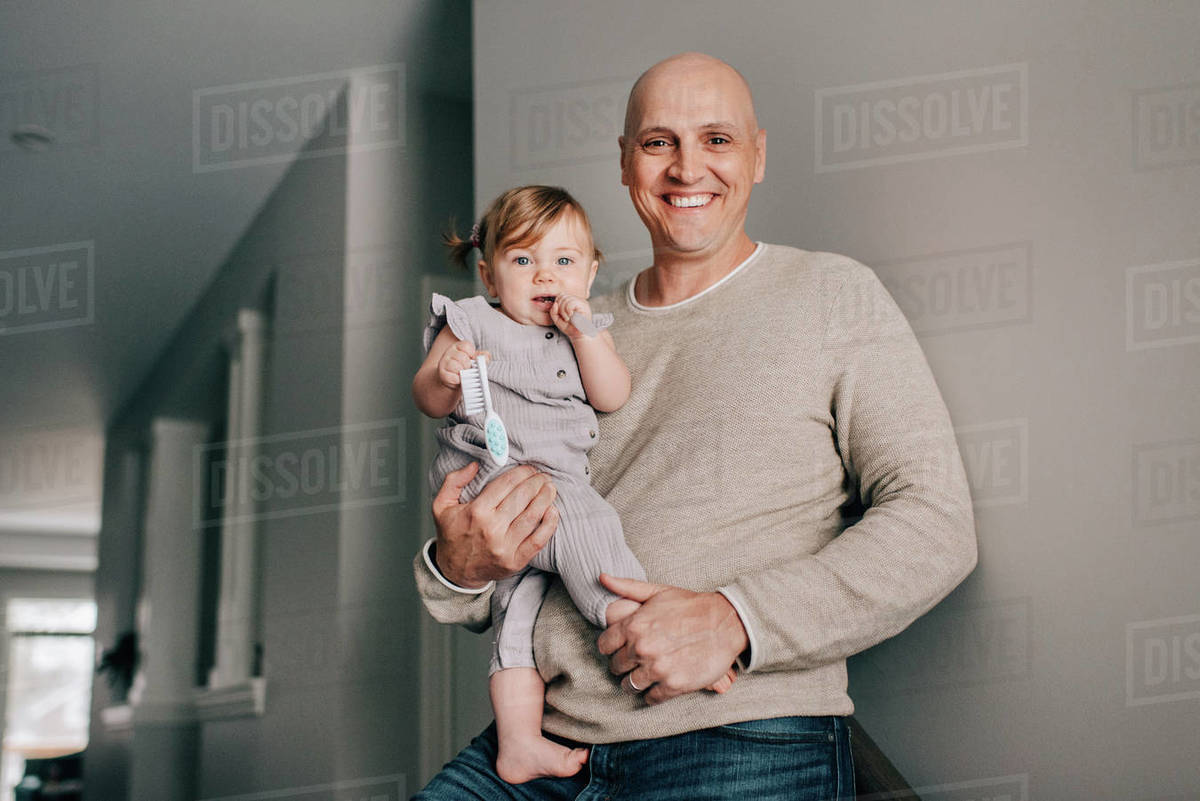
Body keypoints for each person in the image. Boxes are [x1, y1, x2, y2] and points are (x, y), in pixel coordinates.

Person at [412, 53, 978, 800]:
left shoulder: (832, 295)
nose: (686, 168)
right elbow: (493, 553)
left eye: (717, 139)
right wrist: (457, 564)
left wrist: (736, 620)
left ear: (758, 156)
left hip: (741, 734)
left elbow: (936, 525)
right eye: (658, 142)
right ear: (625, 162)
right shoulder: (550, 324)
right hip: (543, 740)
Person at [412, 185, 738, 786]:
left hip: (546, 481)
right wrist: (444, 373)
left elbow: (611, 394)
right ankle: (633, 619)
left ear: (589, 272)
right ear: (488, 275)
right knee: (591, 523)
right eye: (522, 259)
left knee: (518, 612)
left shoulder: (587, 329)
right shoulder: (472, 322)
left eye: (563, 260)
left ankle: (518, 741)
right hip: (496, 475)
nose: (545, 274)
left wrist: (587, 336)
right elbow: (429, 400)